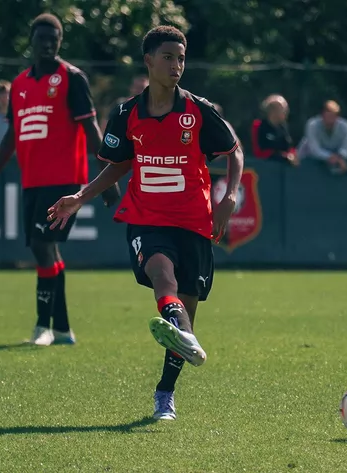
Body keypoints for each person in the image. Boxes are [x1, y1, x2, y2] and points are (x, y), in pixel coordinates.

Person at [47, 25, 243, 421]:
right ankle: (177, 325)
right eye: (169, 57)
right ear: (149, 61)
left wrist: (230, 196)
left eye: (182, 58)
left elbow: (234, 151)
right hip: (146, 219)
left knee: (187, 303)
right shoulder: (126, 113)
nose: (177, 65)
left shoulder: (197, 110)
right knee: (162, 277)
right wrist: (80, 197)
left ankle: (165, 391)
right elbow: (120, 163)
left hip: (193, 221)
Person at [0, 14, 120, 346]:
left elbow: (90, 130)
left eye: (53, 38)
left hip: (64, 180)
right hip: (32, 181)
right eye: (42, 38)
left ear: (59, 41)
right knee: (47, 248)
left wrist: (107, 179)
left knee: (41, 246)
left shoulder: (72, 78)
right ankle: (64, 328)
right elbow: (11, 135)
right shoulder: (21, 84)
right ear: (32, 40)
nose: (47, 44)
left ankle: (43, 327)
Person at [297, 100, 347, 174]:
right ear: (322, 115)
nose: (331, 118)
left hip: (333, 164)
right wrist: (329, 157)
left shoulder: (345, 126)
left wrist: (339, 158)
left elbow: (346, 149)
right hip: (306, 163)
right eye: (328, 115)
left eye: (333, 115)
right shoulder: (312, 125)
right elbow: (315, 150)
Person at [252, 94, 298, 165]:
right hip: (262, 168)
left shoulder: (284, 127)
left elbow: (290, 147)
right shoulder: (258, 125)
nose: (286, 112)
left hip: (281, 171)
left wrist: (292, 155)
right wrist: (283, 157)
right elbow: (258, 152)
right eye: (284, 109)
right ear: (273, 110)